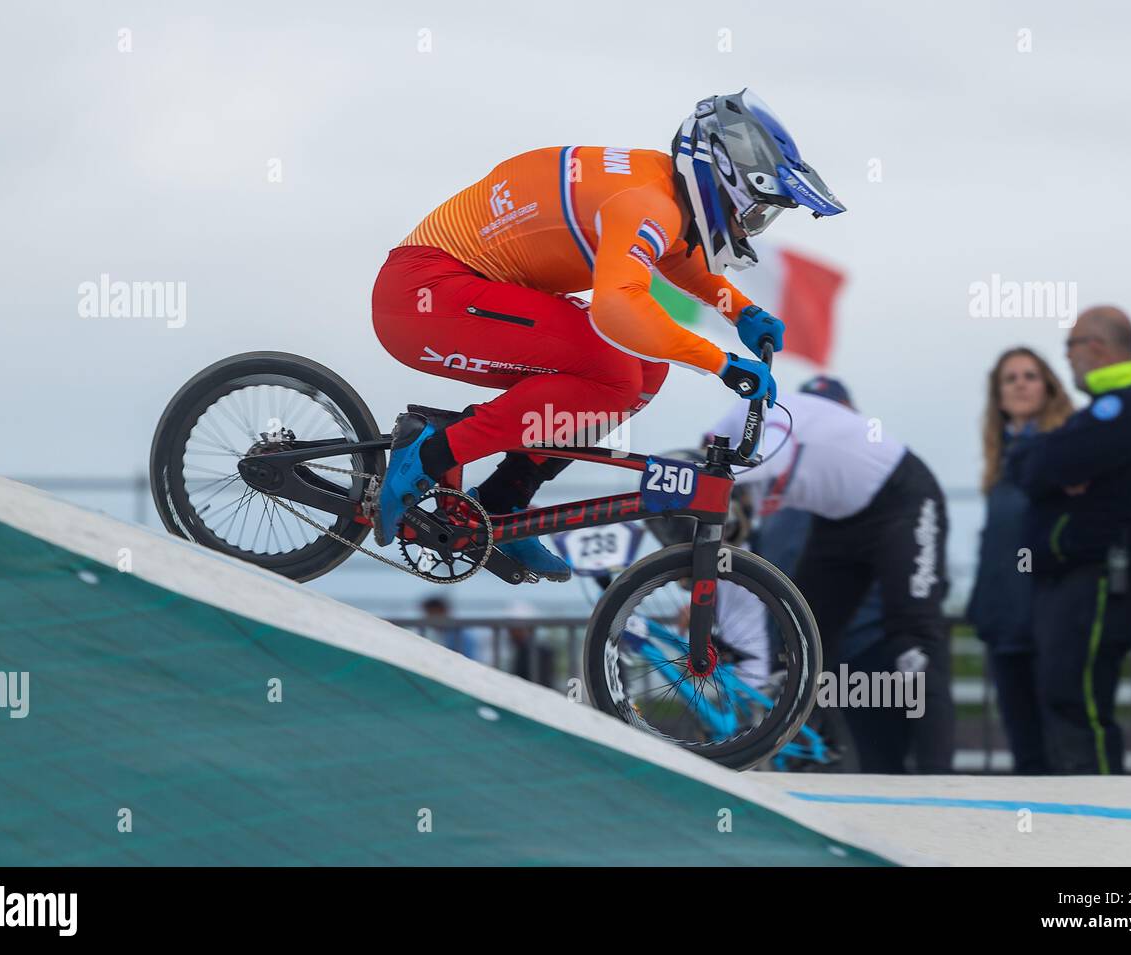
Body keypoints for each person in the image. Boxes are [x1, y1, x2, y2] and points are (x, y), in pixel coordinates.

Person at [369, 90, 845, 583]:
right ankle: (430, 452)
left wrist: (740, 310)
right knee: (614, 372)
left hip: (457, 289)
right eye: (756, 213)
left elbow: (674, 255)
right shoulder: (645, 202)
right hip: (423, 295)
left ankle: (505, 498)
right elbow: (619, 307)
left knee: (645, 370)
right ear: (725, 182)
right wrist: (720, 363)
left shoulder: (661, 188)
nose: (752, 229)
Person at [708, 378, 955, 773]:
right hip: (839, 522)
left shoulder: (768, 413)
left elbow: (777, 460)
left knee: (913, 636)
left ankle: (940, 777)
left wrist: (725, 486)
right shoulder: (725, 434)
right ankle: (810, 762)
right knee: (805, 639)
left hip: (903, 503)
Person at [1006, 306, 1131, 774]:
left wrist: (1050, 468)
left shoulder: (1126, 406)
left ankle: (1100, 820)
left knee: (1078, 703)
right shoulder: (1102, 411)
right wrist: (1051, 468)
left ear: (1095, 347)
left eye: (1070, 347)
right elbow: (1031, 467)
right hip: (1072, 581)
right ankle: (1074, 820)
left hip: (1099, 581)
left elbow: (1039, 469)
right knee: (1061, 699)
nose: (1067, 358)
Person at [967, 348, 1073, 773]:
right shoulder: (999, 462)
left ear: (1048, 386)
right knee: (1025, 753)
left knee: (1062, 747)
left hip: (1051, 623)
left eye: (1030, 375)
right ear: (999, 395)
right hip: (1004, 625)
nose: (1021, 384)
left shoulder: (1064, 450)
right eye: (1010, 379)